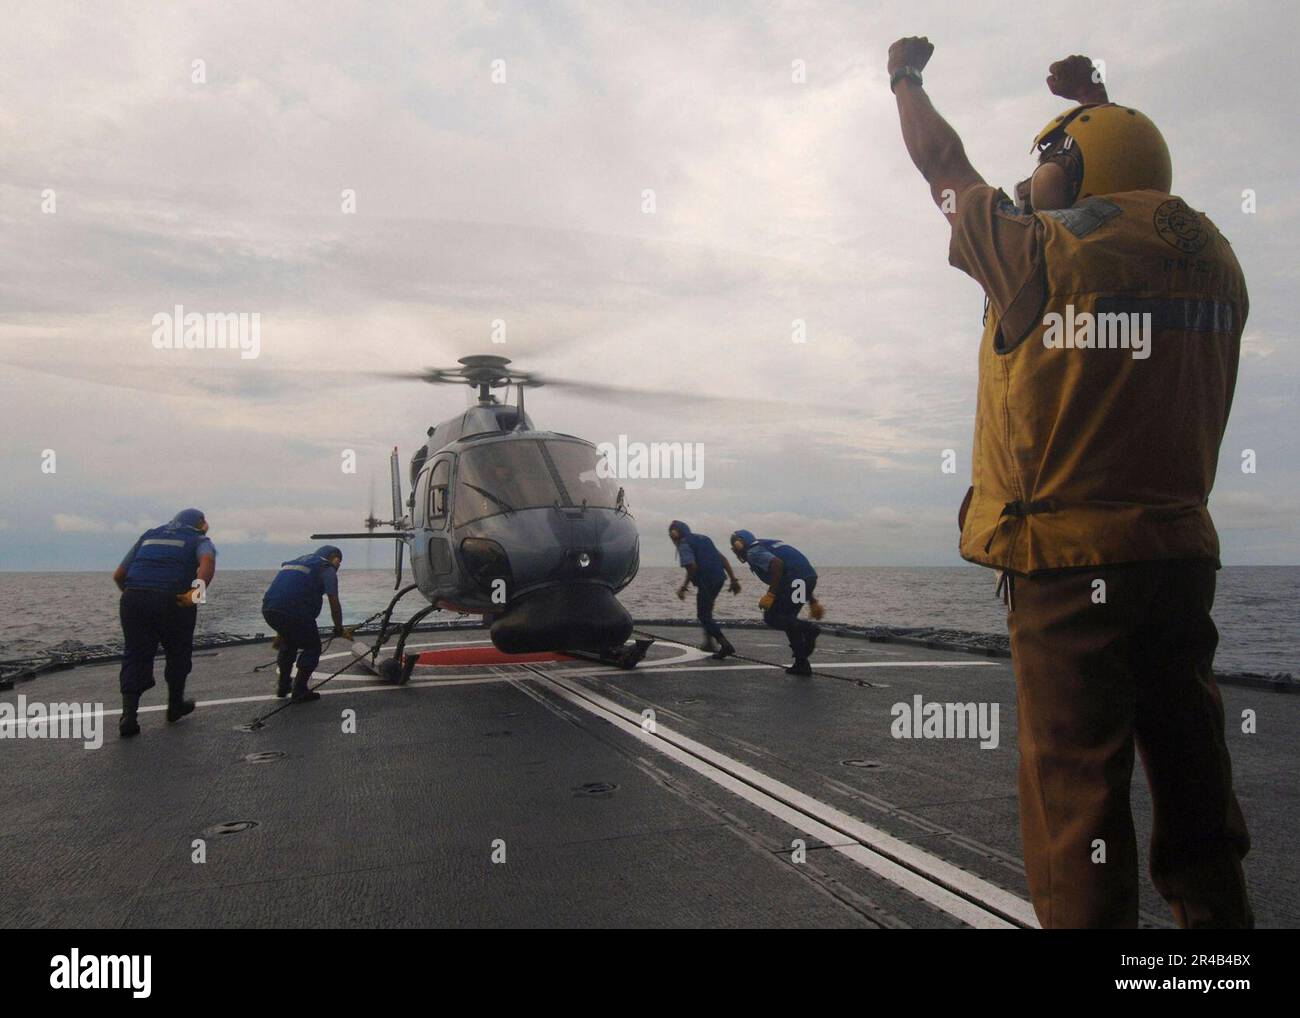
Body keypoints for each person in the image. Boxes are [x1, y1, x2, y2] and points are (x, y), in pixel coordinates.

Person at [887, 39, 1251, 928]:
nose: (1030, 175)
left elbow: (942, 164)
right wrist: (1096, 107)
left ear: (1078, 164)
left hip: (1067, 565)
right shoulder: (1217, 260)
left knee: (1078, 796)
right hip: (1178, 557)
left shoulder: (1035, 254)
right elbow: (1136, 190)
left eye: (1046, 156)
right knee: (1195, 771)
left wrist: (905, 77)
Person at [112, 508, 216, 738]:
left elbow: (119, 575)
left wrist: (135, 596)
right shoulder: (199, 539)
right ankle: (175, 706)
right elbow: (207, 563)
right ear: (200, 523)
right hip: (172, 600)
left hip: (132, 598)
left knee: (135, 653)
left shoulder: (149, 535)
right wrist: (195, 594)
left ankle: (129, 716)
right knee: (178, 652)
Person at [728, 530, 822, 676]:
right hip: (807, 579)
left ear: (740, 543)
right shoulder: (766, 544)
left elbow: (777, 564)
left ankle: (809, 629)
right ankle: (801, 663)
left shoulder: (753, 551)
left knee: (772, 617)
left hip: (794, 581)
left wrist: (771, 594)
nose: (735, 550)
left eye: (735, 546)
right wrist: (812, 601)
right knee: (789, 619)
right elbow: (798, 570)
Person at [261, 545, 348, 703]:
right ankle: (300, 690)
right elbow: (333, 601)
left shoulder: (298, 562)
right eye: (339, 561)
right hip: (294, 611)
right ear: (334, 558)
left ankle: (283, 685)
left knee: (289, 642)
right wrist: (338, 627)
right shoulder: (326, 569)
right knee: (312, 646)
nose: (339, 565)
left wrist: (281, 630)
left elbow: (285, 592)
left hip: (269, 609)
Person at [668, 520, 740, 658]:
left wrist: (683, 587)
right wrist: (733, 579)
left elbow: (692, 567)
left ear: (675, 534)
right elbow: (722, 559)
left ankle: (725, 645)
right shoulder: (704, 539)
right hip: (719, 579)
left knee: (703, 615)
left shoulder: (684, 544)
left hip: (706, 581)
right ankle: (709, 643)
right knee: (707, 611)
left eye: (672, 534)